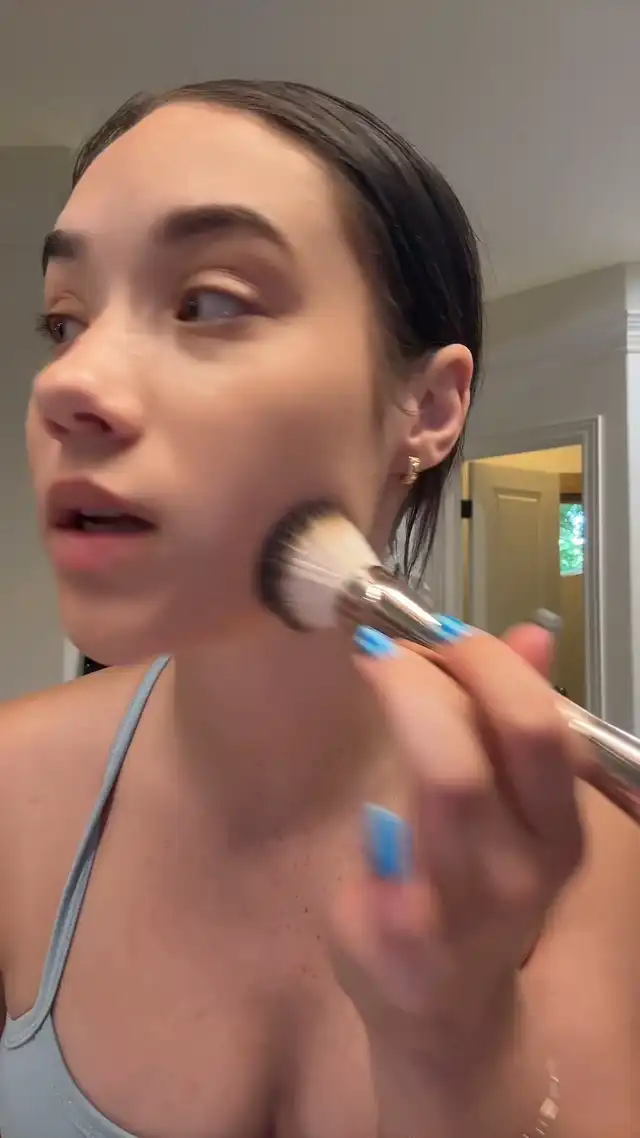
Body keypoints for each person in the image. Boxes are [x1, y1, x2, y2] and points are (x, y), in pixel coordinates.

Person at [0, 79, 636, 1138]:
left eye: (207, 302)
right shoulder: (10, 792)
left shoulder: (589, 863)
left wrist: (456, 1050)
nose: (67, 384)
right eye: (64, 320)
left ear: (427, 408)